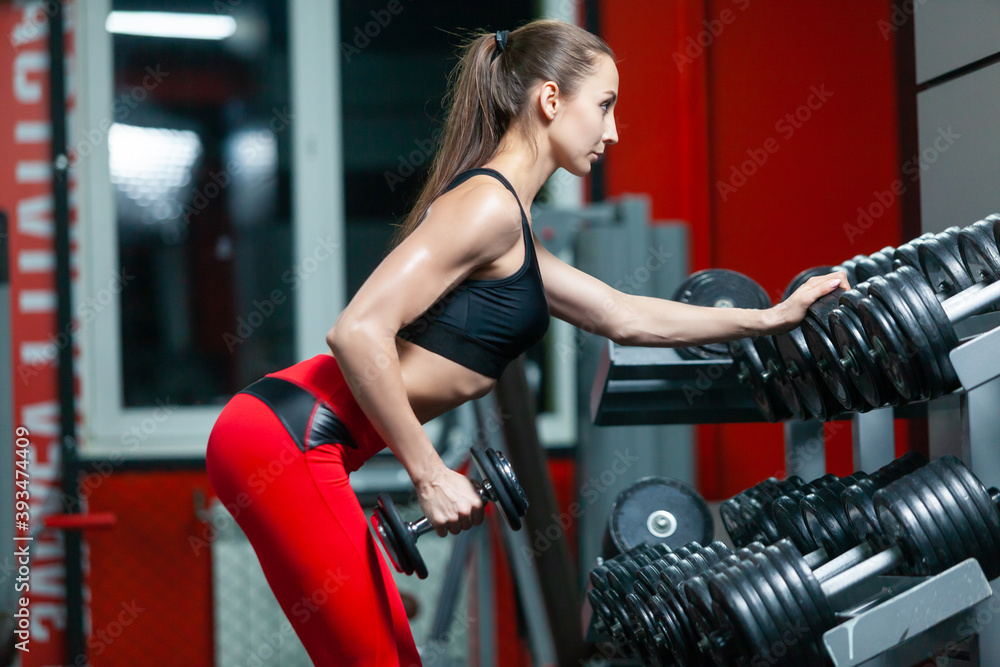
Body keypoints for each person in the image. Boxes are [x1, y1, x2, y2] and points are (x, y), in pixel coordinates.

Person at [205, 18, 849, 667]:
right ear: (549, 101)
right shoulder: (485, 207)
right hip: (289, 437)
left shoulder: (510, 223)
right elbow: (357, 329)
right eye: (604, 105)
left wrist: (769, 319)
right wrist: (429, 474)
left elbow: (625, 315)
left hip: (294, 435)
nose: (614, 130)